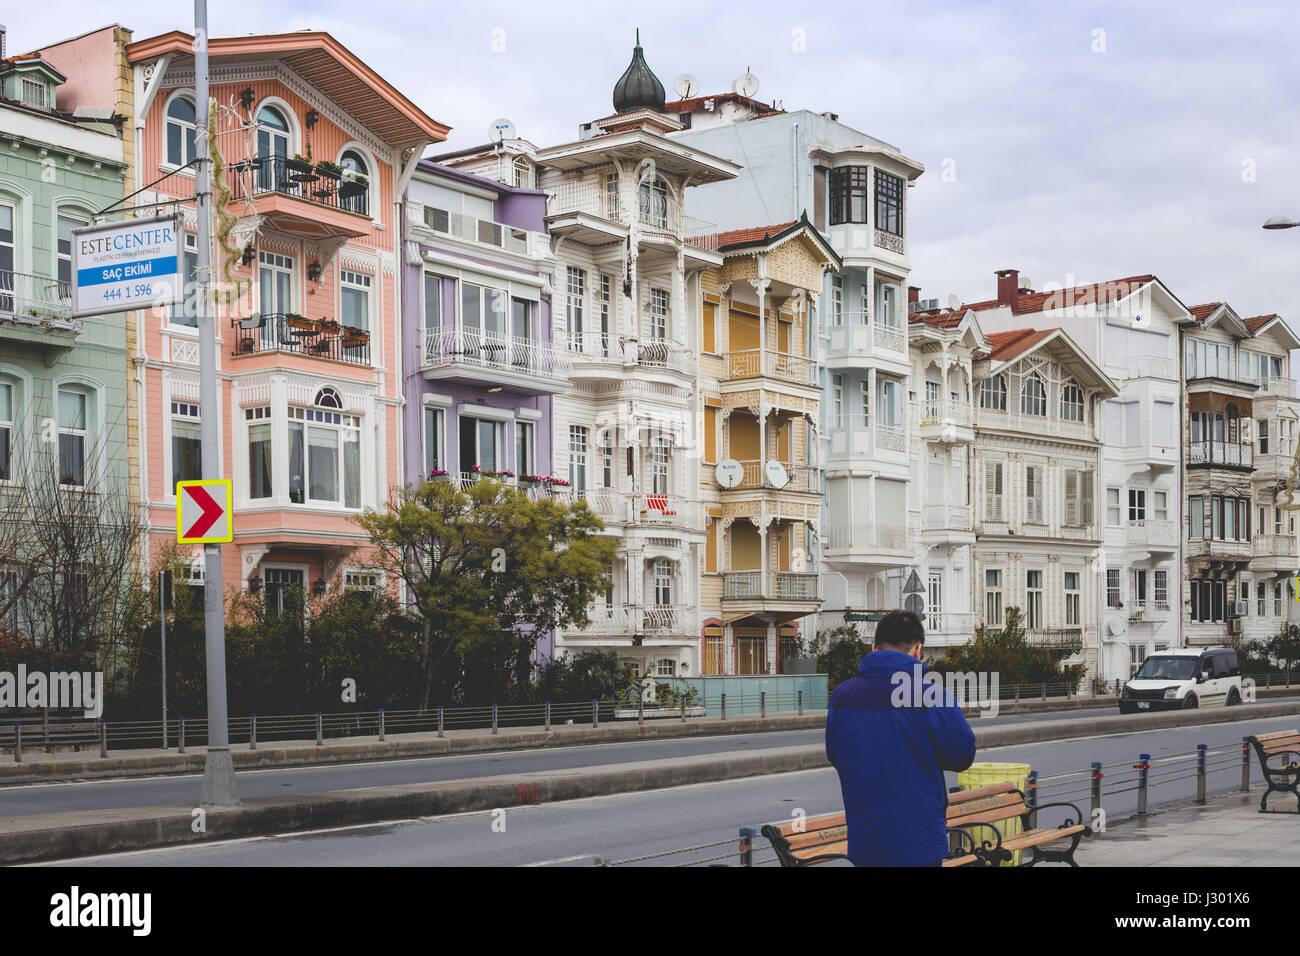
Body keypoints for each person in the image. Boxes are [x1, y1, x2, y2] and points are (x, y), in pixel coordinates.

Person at [825, 609, 976, 866]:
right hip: (920, 845)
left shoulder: (843, 696)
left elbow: (836, 754)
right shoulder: (931, 695)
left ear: (874, 648)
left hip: (867, 843)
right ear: (918, 649)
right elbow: (961, 756)